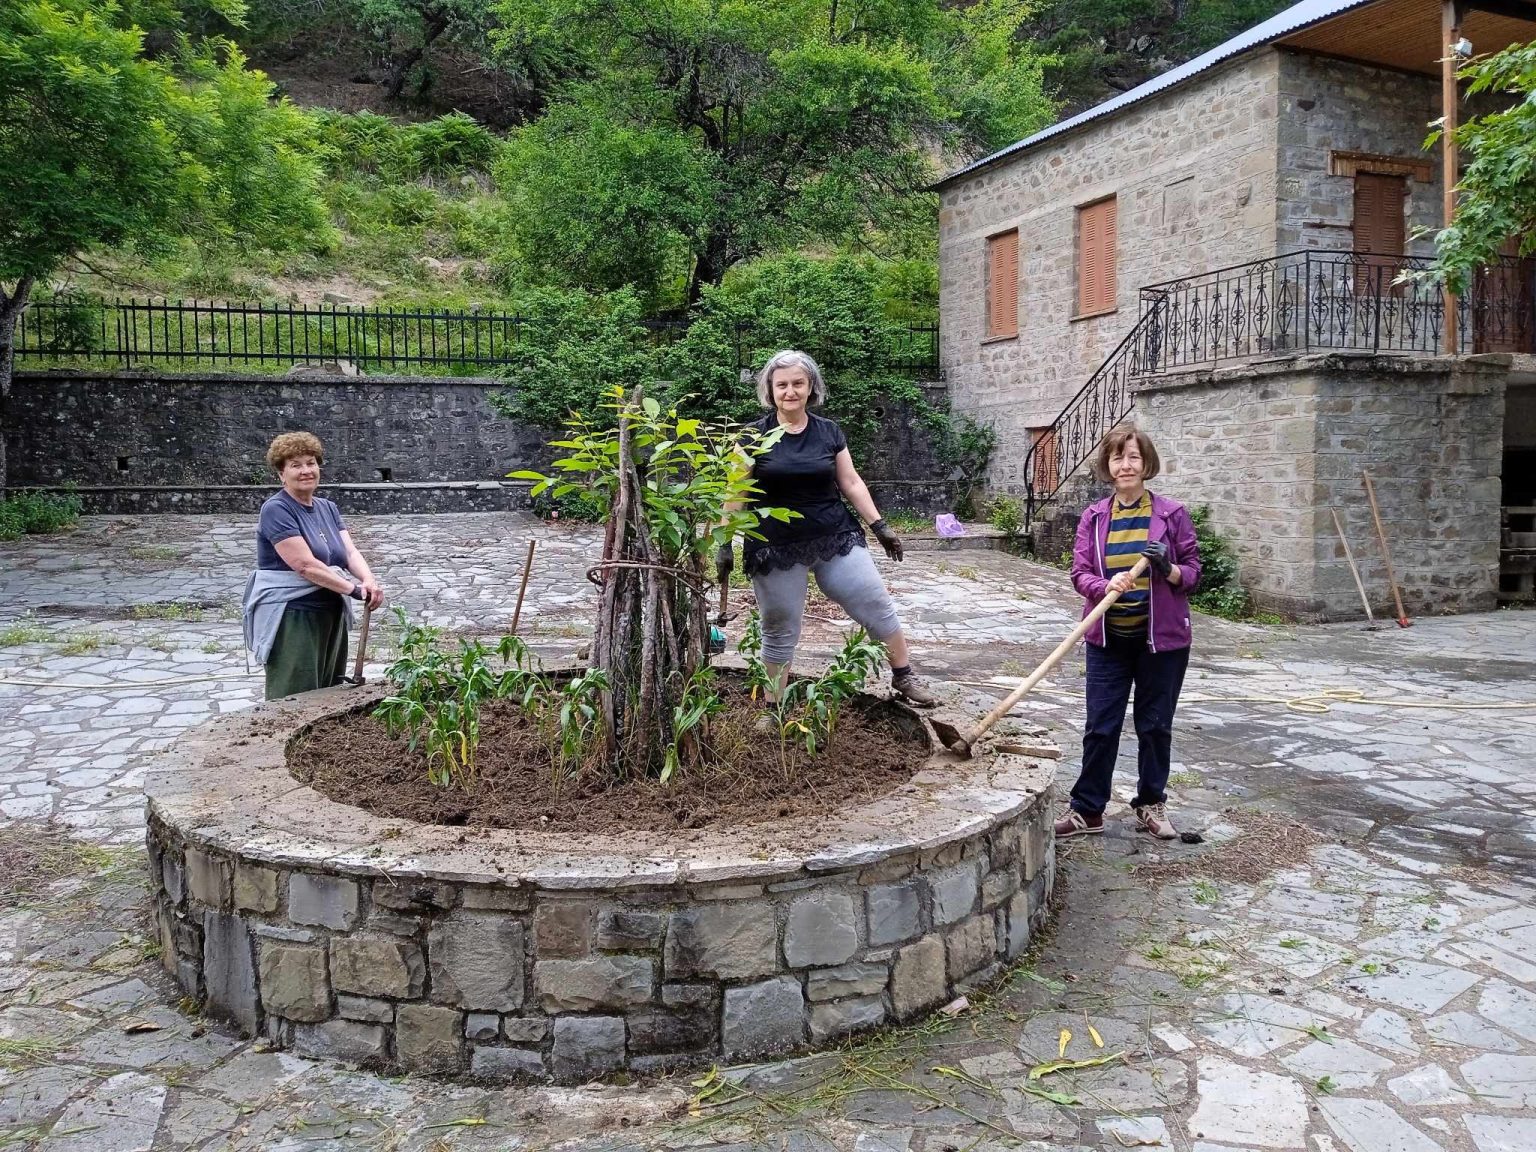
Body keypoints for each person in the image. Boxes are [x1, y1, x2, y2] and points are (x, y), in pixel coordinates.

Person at [716, 349, 936, 707]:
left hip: (834, 536)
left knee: (875, 602)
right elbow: (735, 490)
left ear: (810, 387)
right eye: (782, 384)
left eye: (798, 383)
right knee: (780, 626)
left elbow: (850, 482)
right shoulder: (752, 436)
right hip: (776, 544)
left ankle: (904, 676)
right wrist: (723, 542)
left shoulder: (828, 432)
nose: (790, 391)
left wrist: (880, 526)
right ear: (770, 390)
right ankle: (774, 706)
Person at [1055, 425, 1201, 841]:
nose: (1126, 465)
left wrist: (1167, 568)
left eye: (1133, 457)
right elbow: (1079, 573)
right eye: (1118, 458)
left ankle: (1150, 805)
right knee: (1101, 726)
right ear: (1108, 466)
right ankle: (1088, 810)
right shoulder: (1095, 517)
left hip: (1162, 642)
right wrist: (1105, 587)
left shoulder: (1171, 515)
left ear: (1146, 463)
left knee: (1155, 725)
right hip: (1108, 640)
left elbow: (1192, 574)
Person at [242, 432, 384, 700]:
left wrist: (368, 580)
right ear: (281, 474)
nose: (306, 470)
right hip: (294, 616)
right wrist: (353, 590)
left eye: (311, 463)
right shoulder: (276, 509)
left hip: (329, 612)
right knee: (294, 696)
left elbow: (349, 552)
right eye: (295, 465)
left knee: (329, 694)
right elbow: (305, 566)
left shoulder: (327, 507)